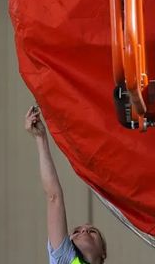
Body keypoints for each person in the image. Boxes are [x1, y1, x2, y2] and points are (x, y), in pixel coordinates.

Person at [25, 105, 108, 264]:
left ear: (103, 252)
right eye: (77, 232)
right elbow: (53, 197)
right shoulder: (65, 257)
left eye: (92, 231)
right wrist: (40, 139)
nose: (83, 230)